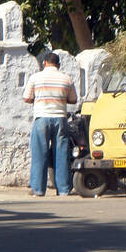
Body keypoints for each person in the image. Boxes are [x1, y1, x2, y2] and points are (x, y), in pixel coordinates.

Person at [22, 51, 77, 197]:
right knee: (61, 154)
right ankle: (64, 189)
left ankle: (38, 189)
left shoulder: (35, 78)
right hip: (60, 118)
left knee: (40, 154)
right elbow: (73, 100)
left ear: (44, 63)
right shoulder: (67, 79)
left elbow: (26, 98)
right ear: (58, 64)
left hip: (41, 119)